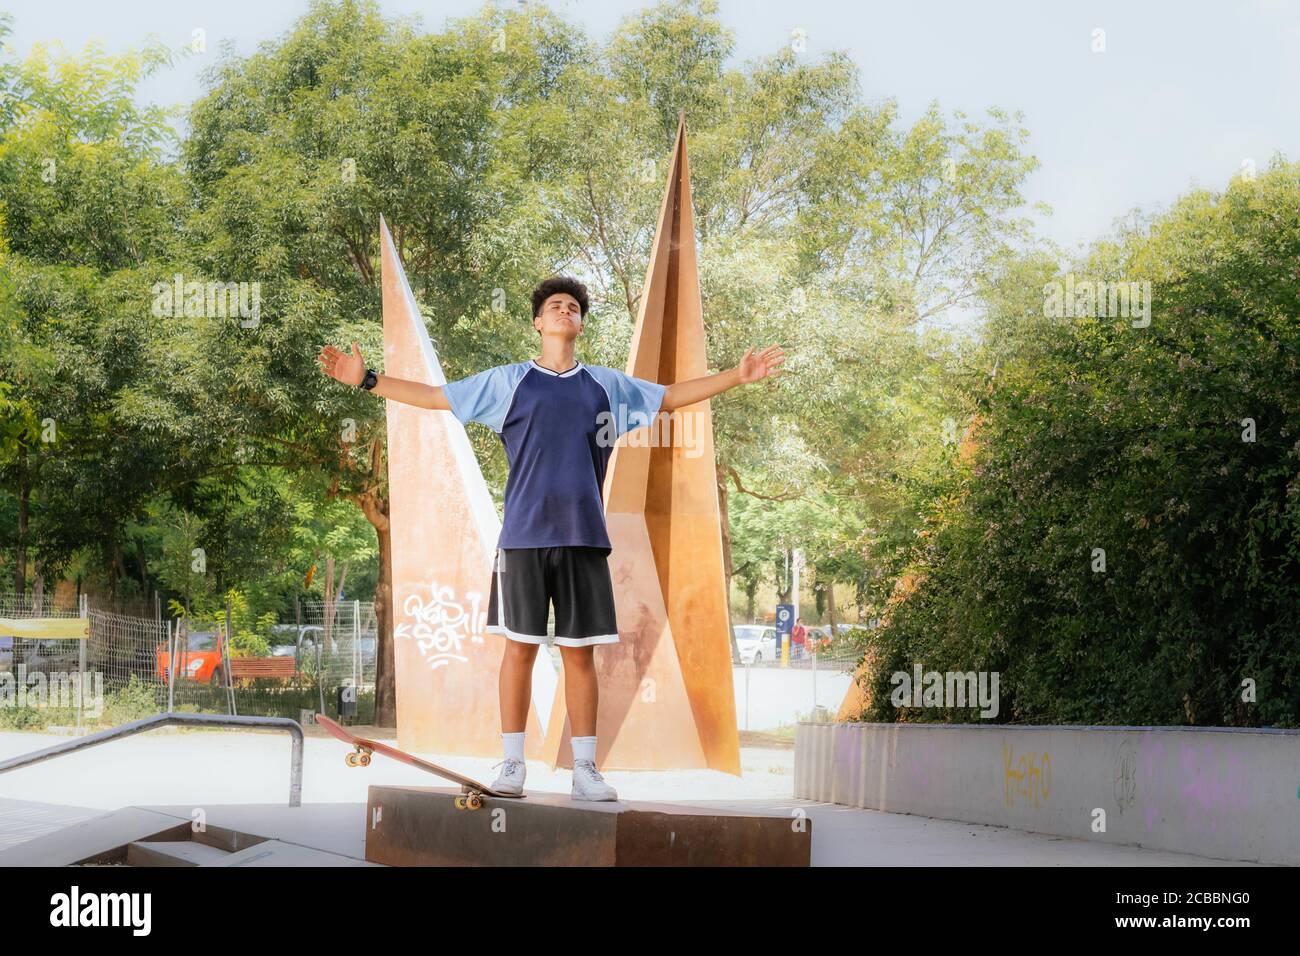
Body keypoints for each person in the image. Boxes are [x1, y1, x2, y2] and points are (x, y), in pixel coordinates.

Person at [318, 276, 784, 800]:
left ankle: (585, 770)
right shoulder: (509, 383)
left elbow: (672, 397)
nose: (565, 310)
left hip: (585, 538)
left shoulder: (607, 386)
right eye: (554, 305)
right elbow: (432, 397)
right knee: (519, 650)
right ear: (538, 322)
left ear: (580, 325)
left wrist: (737, 377)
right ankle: (511, 764)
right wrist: (366, 379)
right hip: (522, 539)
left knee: (580, 654)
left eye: (573, 307)